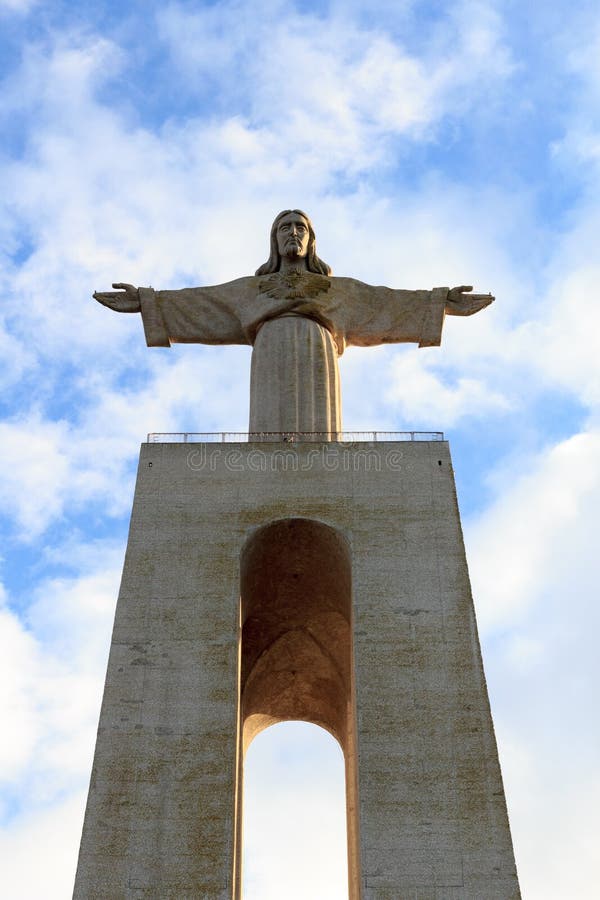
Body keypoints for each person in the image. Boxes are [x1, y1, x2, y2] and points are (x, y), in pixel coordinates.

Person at [95, 209, 493, 436]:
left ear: (311, 239)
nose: (293, 233)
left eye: (300, 227)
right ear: (275, 239)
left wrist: (440, 303)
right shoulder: (252, 290)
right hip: (270, 348)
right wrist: (147, 302)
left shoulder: (335, 290)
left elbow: (385, 301)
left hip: (319, 348)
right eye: (285, 227)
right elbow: (203, 302)